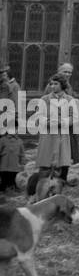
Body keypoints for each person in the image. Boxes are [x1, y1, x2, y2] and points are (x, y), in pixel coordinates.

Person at [35, 76, 74, 182]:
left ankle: (61, 184)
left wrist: (62, 122)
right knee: (45, 162)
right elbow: (38, 117)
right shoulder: (44, 100)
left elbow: (73, 117)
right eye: (51, 84)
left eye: (55, 84)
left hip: (62, 135)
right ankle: (43, 184)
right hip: (48, 135)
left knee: (62, 162)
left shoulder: (70, 100)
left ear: (62, 85)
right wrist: (49, 122)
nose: (52, 86)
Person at [0, 65, 23, 194]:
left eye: (3, 73)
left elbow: (14, 106)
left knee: (8, 153)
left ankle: (8, 182)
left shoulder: (12, 86)